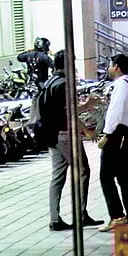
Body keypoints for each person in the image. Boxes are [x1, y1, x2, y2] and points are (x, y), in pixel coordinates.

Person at [44, 50, 103, 231]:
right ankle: (81, 213)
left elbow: (66, 108)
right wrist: (86, 130)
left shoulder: (50, 82)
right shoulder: (64, 84)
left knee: (58, 176)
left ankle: (55, 218)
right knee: (83, 170)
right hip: (66, 135)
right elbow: (69, 113)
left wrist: (85, 106)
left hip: (52, 135)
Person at [97, 54, 128, 231]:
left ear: (116, 67)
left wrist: (106, 135)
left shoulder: (121, 86)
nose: (109, 69)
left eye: (110, 65)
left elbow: (115, 113)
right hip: (127, 135)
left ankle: (116, 215)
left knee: (106, 177)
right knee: (125, 177)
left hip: (116, 136)